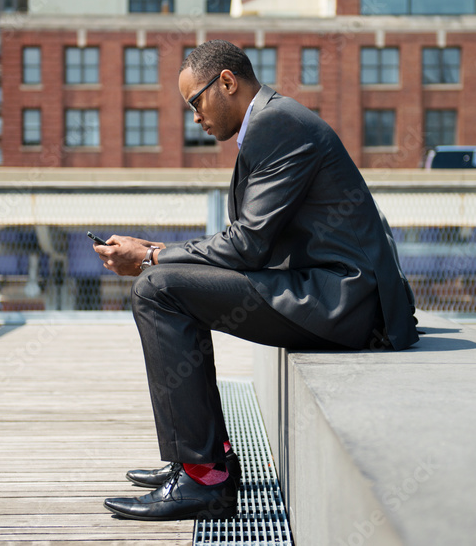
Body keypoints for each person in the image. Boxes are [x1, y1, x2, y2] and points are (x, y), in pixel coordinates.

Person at [94, 39, 419, 521]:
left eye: (195, 101)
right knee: (163, 282)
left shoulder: (276, 123)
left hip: (345, 302)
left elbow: (247, 246)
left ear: (226, 82)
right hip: (333, 291)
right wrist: (156, 254)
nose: (195, 117)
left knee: (157, 289)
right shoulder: (271, 121)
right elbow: (250, 243)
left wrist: (153, 254)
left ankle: (205, 478)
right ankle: (208, 461)